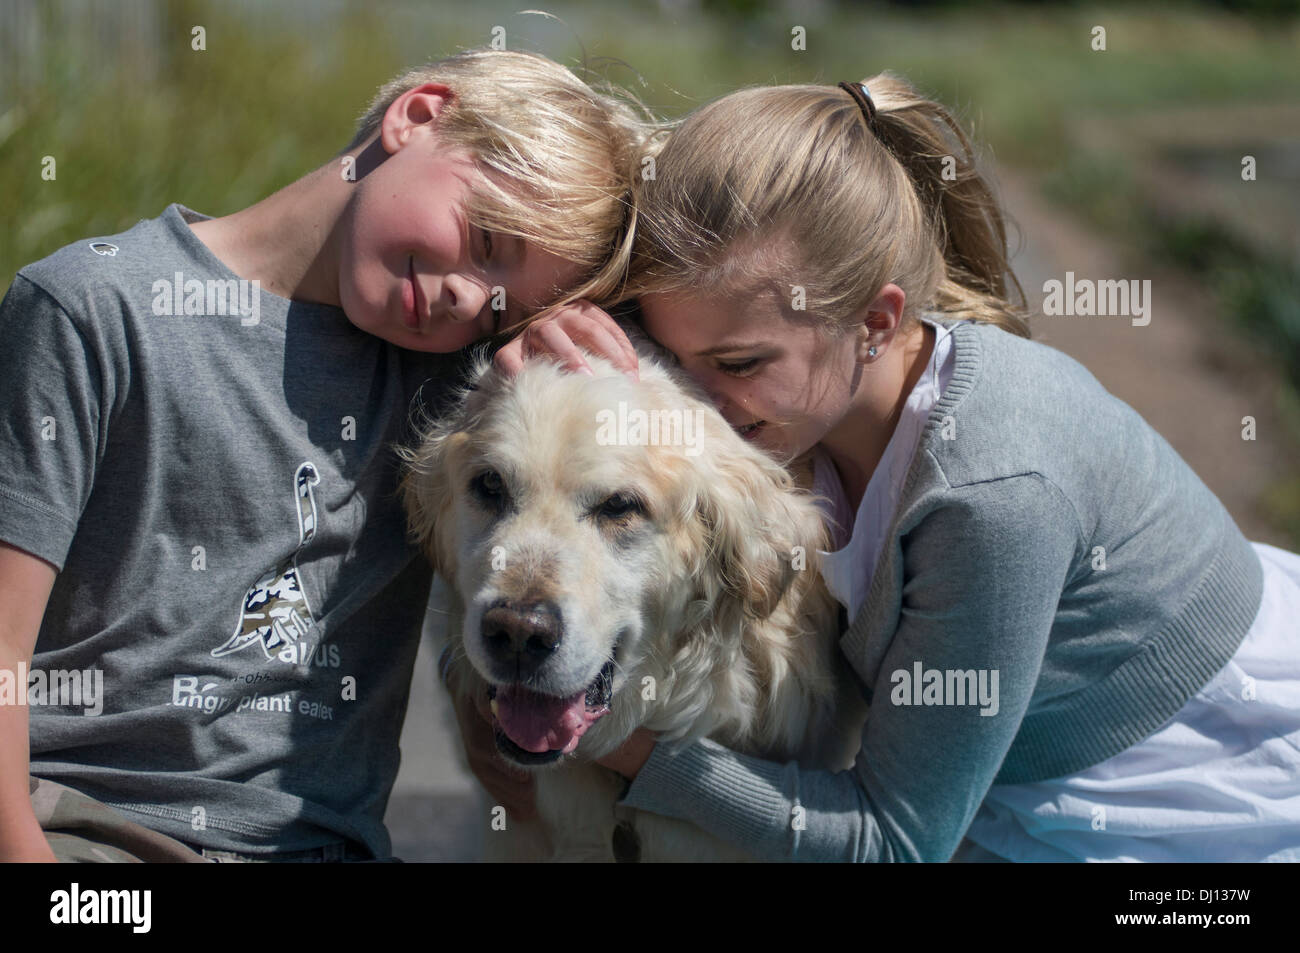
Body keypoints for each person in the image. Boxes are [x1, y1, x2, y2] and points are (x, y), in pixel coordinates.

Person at [465, 74, 1300, 862]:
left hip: (1195, 788)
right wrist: (535, 339)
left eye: (737, 364)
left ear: (874, 321)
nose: (695, 410)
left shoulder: (990, 498)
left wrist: (617, 746)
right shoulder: (791, 377)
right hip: (986, 773)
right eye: (671, 361)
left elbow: (895, 841)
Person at [0, 48, 646, 863]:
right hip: (91, 834)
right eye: (486, 237)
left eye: (498, 313)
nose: (466, 295)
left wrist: (551, 357)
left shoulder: (459, 392)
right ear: (418, 116)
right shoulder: (94, 310)